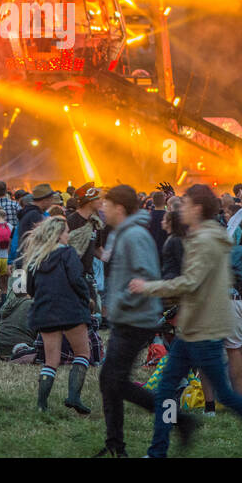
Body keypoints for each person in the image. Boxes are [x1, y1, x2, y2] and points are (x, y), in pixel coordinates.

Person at [130, 184, 242, 458]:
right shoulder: (206, 236)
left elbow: (190, 282)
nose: (180, 209)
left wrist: (148, 287)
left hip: (203, 329)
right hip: (194, 327)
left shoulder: (205, 241)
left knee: (227, 395)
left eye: (184, 204)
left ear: (197, 209)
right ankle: (157, 452)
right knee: (166, 388)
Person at [94, 184, 162, 457]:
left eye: (106, 205)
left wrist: (119, 300)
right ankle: (115, 445)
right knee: (110, 380)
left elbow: (146, 277)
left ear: (119, 208)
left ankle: (176, 417)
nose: (102, 209)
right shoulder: (121, 233)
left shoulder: (133, 236)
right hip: (128, 317)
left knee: (113, 380)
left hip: (137, 319)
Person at [20, 214, 92, 414]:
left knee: (51, 360)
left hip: (45, 311)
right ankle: (74, 397)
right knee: (82, 353)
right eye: (67, 232)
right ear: (59, 235)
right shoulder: (68, 254)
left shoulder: (37, 257)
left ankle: (42, 405)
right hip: (70, 310)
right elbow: (77, 280)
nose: (69, 236)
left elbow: (30, 288)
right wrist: (86, 299)